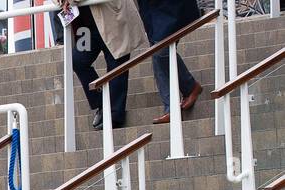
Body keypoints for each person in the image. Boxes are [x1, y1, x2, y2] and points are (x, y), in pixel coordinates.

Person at [57, 0, 147, 130]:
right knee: (78, 61)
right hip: (85, 28)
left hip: (112, 20)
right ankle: (102, 103)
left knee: (116, 65)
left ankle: (115, 116)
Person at [136, 0, 203, 124]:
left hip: (171, 8)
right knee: (156, 51)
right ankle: (171, 108)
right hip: (151, 9)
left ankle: (190, 87)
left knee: (160, 51)